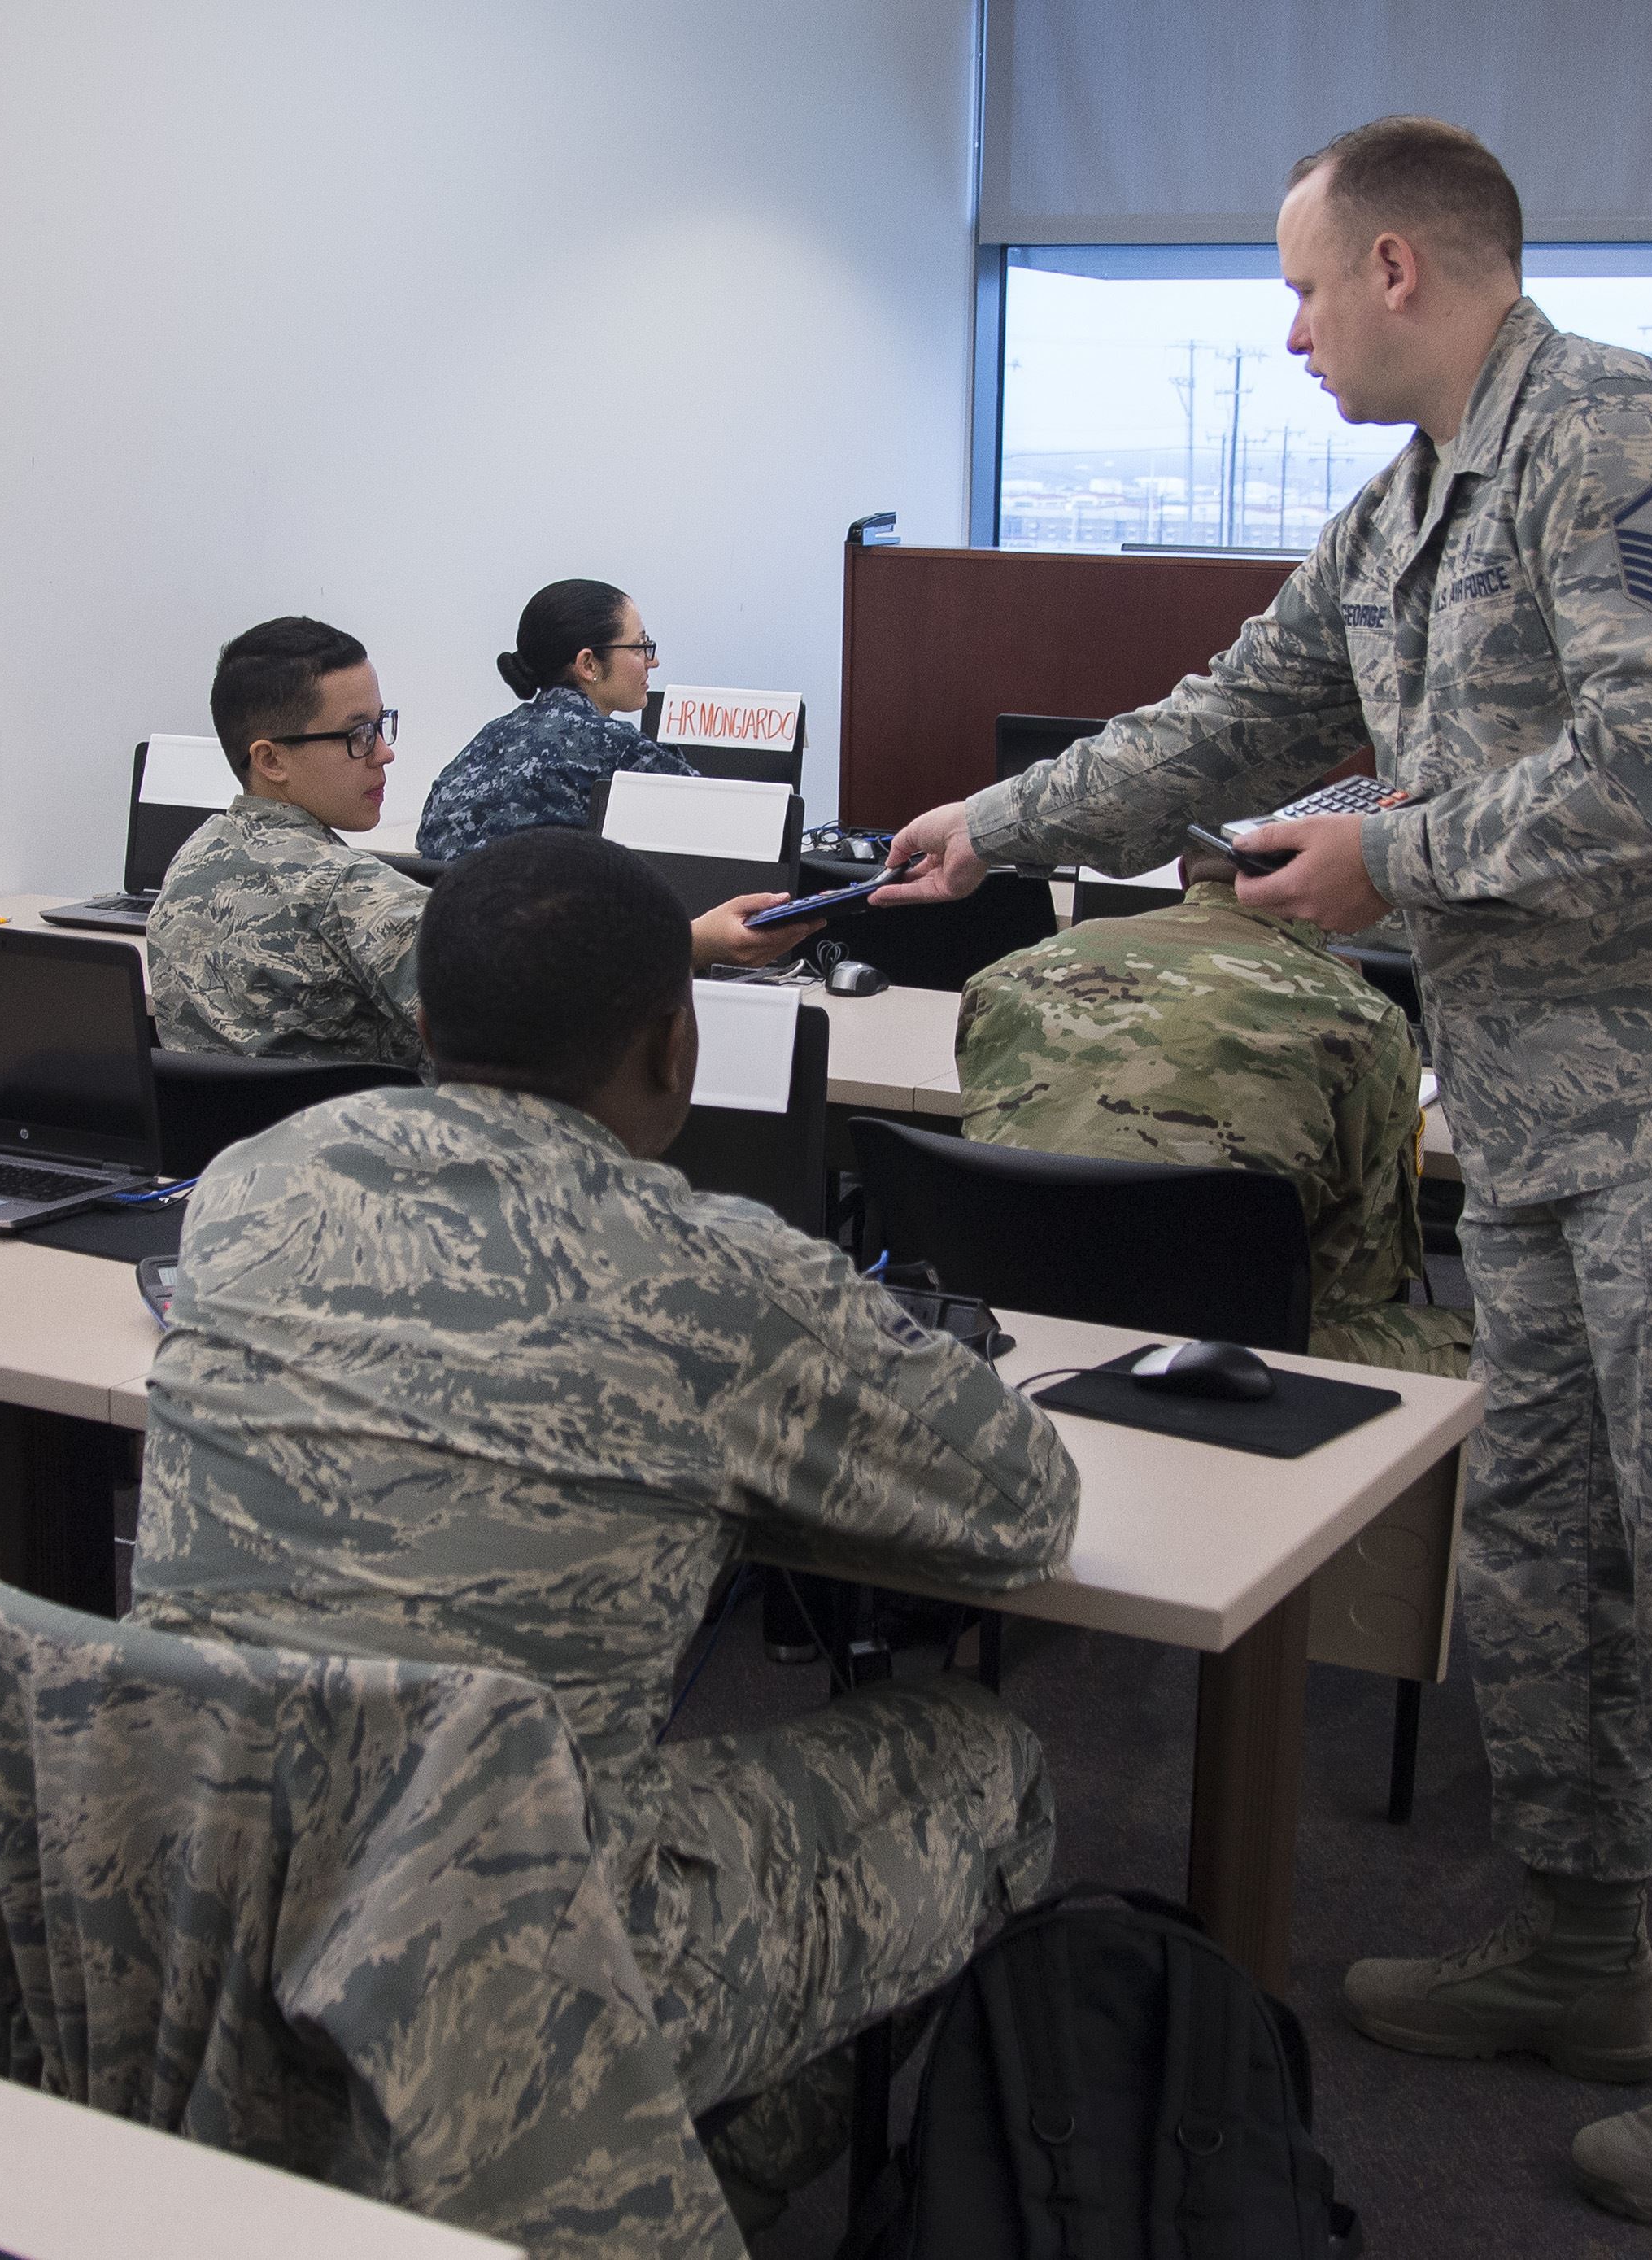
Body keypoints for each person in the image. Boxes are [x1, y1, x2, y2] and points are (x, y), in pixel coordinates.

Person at [881, 116, 1652, 2227]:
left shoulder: (1622, 447)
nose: (1280, 330)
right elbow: (1233, 714)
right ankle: (1578, 1947)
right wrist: (997, 827)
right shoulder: (1411, 515)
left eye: (1296, 286)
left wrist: (1390, 857)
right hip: (1550, 1130)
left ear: (1403, 273)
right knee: (1535, 1561)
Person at [135, 825, 1078, 2228]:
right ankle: (628, 2180)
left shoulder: (255, 1180)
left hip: (195, 1888)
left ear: (427, 1018)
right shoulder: (720, 1270)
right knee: (986, 1758)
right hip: (516, 1955)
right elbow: (1021, 1512)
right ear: (675, 1048)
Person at [150, 617, 815, 1066]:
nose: (383, 752)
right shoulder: (347, 892)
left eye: (382, 724)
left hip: (222, 1202)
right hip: (383, 1202)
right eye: (356, 734)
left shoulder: (191, 863)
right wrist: (695, 941)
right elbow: (524, 1001)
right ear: (270, 759)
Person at [954, 843, 1471, 1378]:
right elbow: (1363, 1272)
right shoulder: (1362, 1019)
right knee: (1508, 1348)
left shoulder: (1005, 977)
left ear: (1182, 869)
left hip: (1019, 1336)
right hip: (1236, 1363)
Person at [415, 579, 693, 859]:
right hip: (551, 901)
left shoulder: (489, 738)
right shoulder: (619, 747)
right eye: (639, 646)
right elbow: (710, 824)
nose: (652, 661)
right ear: (589, 664)